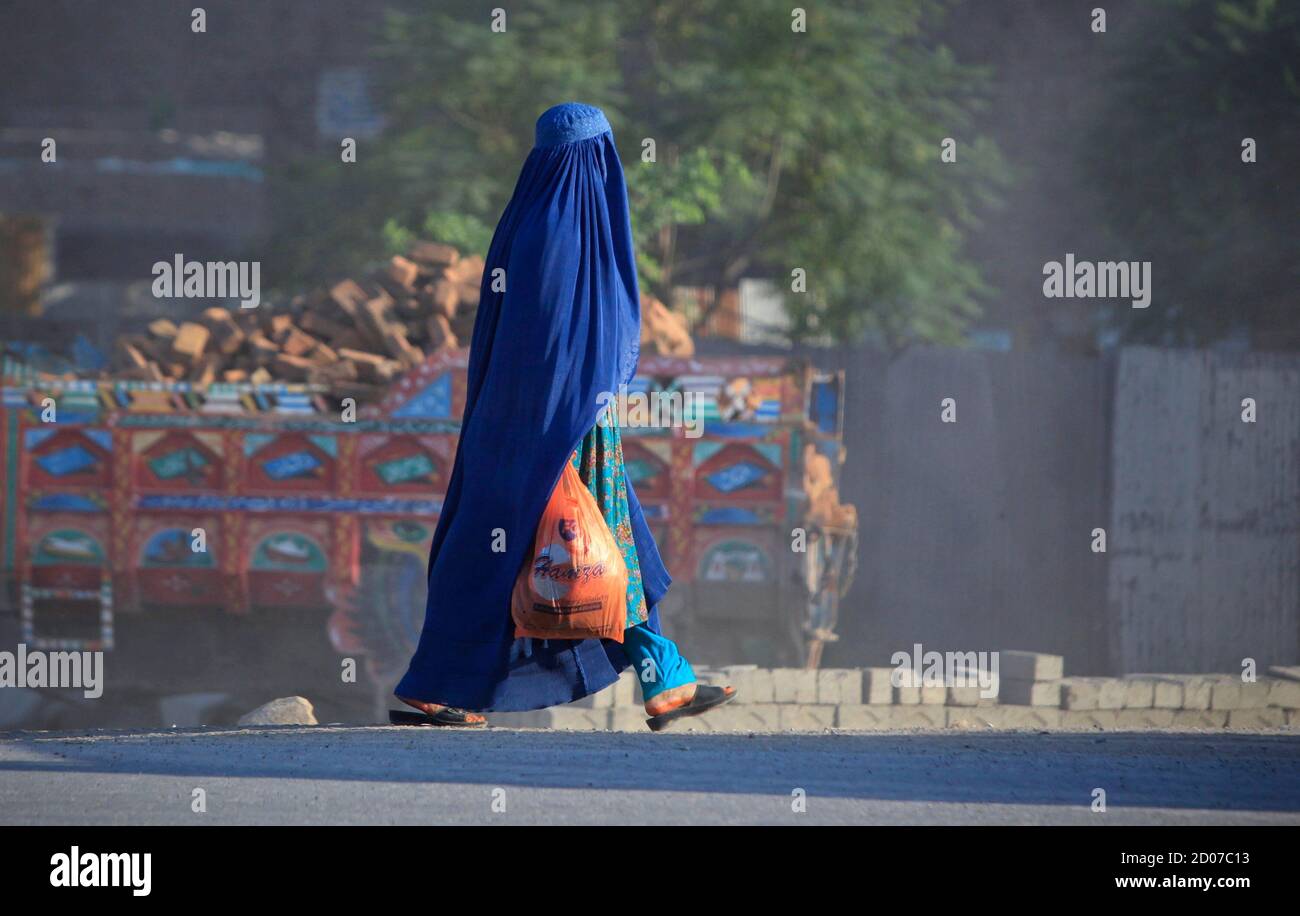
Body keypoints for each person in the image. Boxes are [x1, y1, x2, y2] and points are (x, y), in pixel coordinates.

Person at [390, 102, 736, 732]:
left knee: (599, 549)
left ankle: (664, 676)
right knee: (558, 551)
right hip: (561, 433)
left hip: (528, 427)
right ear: (594, 162)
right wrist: (569, 428)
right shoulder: (569, 234)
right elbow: (569, 348)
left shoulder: (526, 224)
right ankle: (445, 686)